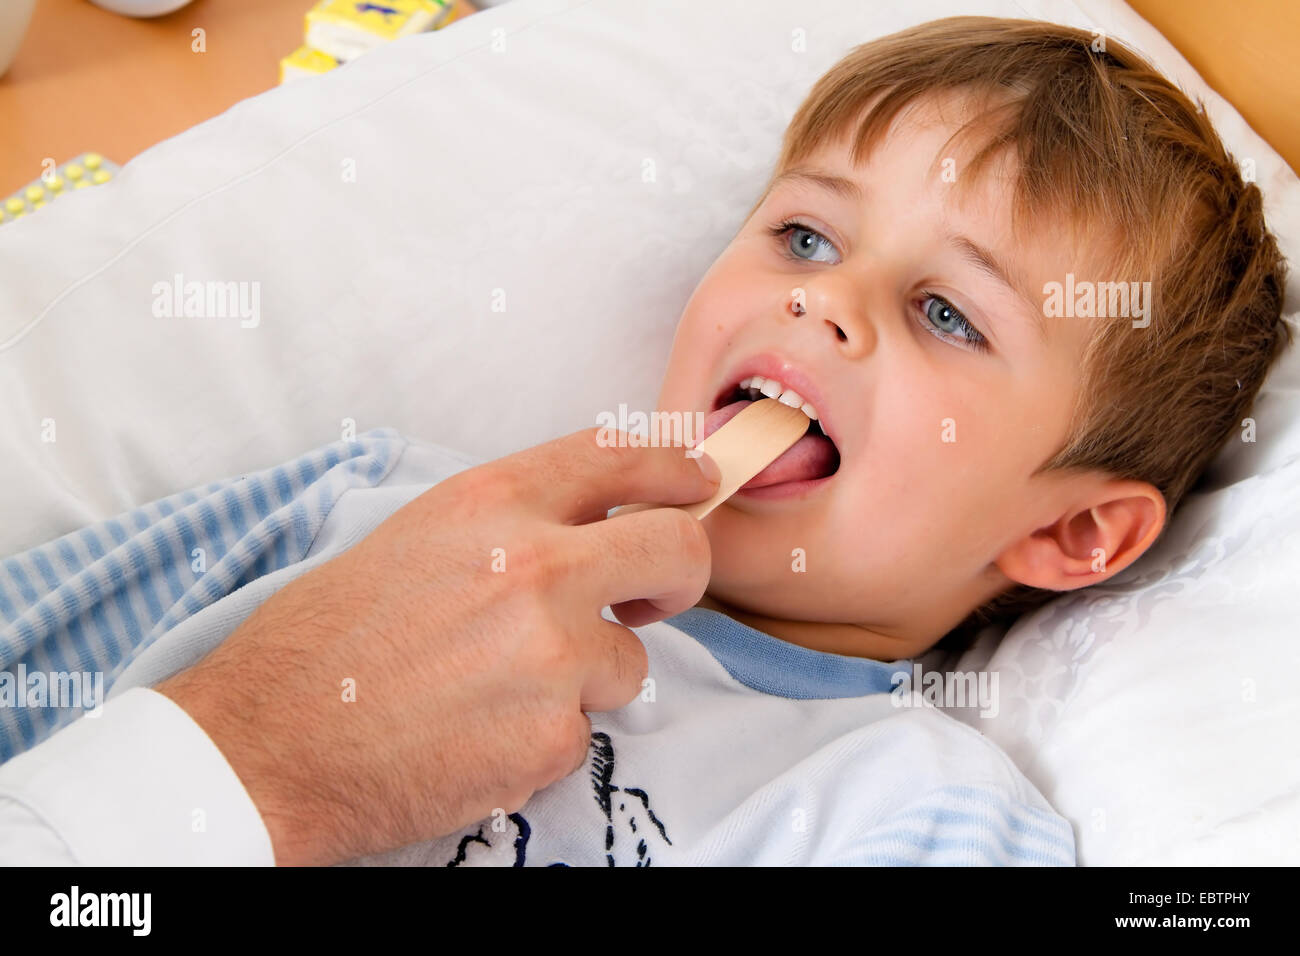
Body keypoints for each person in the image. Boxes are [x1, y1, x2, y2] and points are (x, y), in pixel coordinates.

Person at [0, 16, 1288, 865]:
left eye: (947, 312)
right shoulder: (378, 505)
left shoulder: (914, 814)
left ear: (1072, 532)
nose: (824, 303)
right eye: (806, 237)